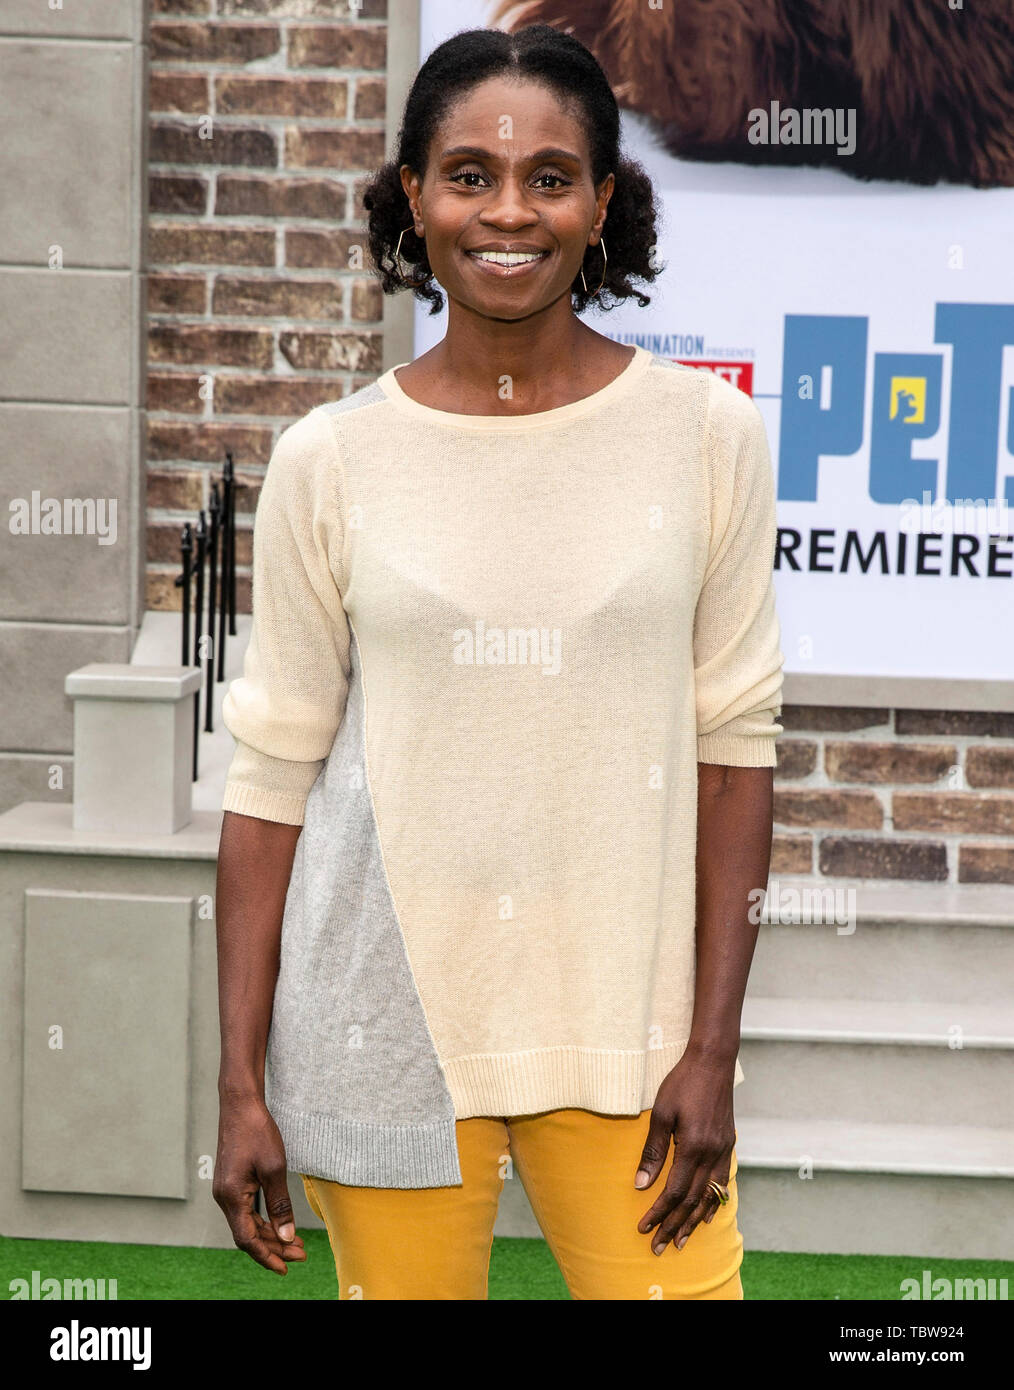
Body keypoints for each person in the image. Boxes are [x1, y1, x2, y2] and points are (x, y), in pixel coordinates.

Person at [212, 23, 784, 1301]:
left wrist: (712, 1052)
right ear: (413, 193)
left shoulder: (706, 436)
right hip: (387, 1027)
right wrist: (238, 1084)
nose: (507, 211)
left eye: (549, 176)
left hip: (629, 1043)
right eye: (468, 174)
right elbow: (269, 782)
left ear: (602, 203)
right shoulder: (331, 459)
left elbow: (735, 754)